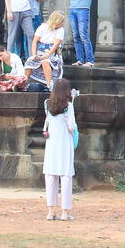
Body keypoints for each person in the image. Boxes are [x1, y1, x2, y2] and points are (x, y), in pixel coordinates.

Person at [43, 79, 78, 221]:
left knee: (50, 176)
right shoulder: (68, 106)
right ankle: (65, 212)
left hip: (51, 144)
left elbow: (49, 120)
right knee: (66, 176)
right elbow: (71, 126)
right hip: (64, 143)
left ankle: (51, 211)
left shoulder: (47, 104)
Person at [63, 0, 96, 67]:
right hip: (73, 8)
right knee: (76, 35)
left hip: (83, 9)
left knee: (83, 35)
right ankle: (80, 59)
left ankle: (90, 60)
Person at [28, 11, 67, 92]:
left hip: (53, 54)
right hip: (40, 52)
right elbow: (34, 42)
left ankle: (50, 85)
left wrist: (47, 55)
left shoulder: (61, 30)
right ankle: (23, 83)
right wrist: (34, 54)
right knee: (29, 62)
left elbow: (55, 45)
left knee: (45, 62)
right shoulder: (42, 27)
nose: (62, 23)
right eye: (61, 21)